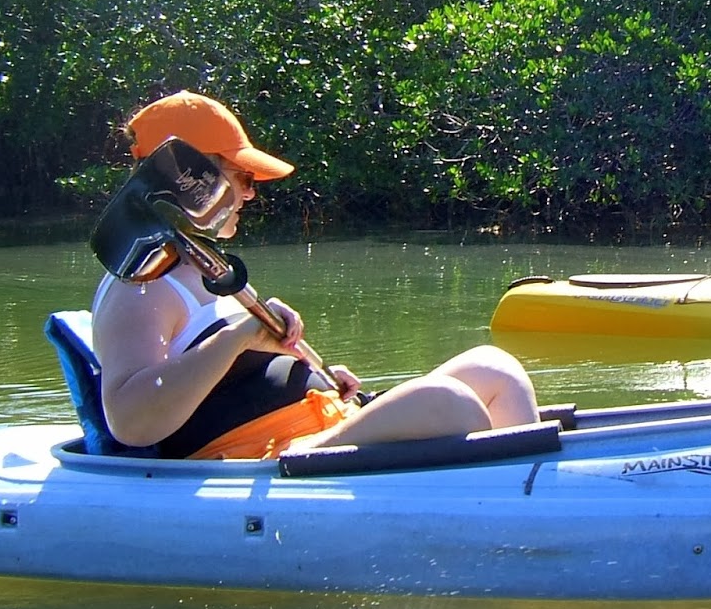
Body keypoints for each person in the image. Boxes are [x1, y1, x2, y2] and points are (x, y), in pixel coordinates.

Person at [92, 90, 539, 459]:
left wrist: (317, 379)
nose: (250, 193)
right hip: (262, 456)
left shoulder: (204, 267)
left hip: (313, 428)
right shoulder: (142, 285)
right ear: (189, 178)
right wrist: (237, 338)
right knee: (448, 403)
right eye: (242, 176)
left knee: (494, 367)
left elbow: (237, 376)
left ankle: (527, 508)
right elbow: (132, 421)